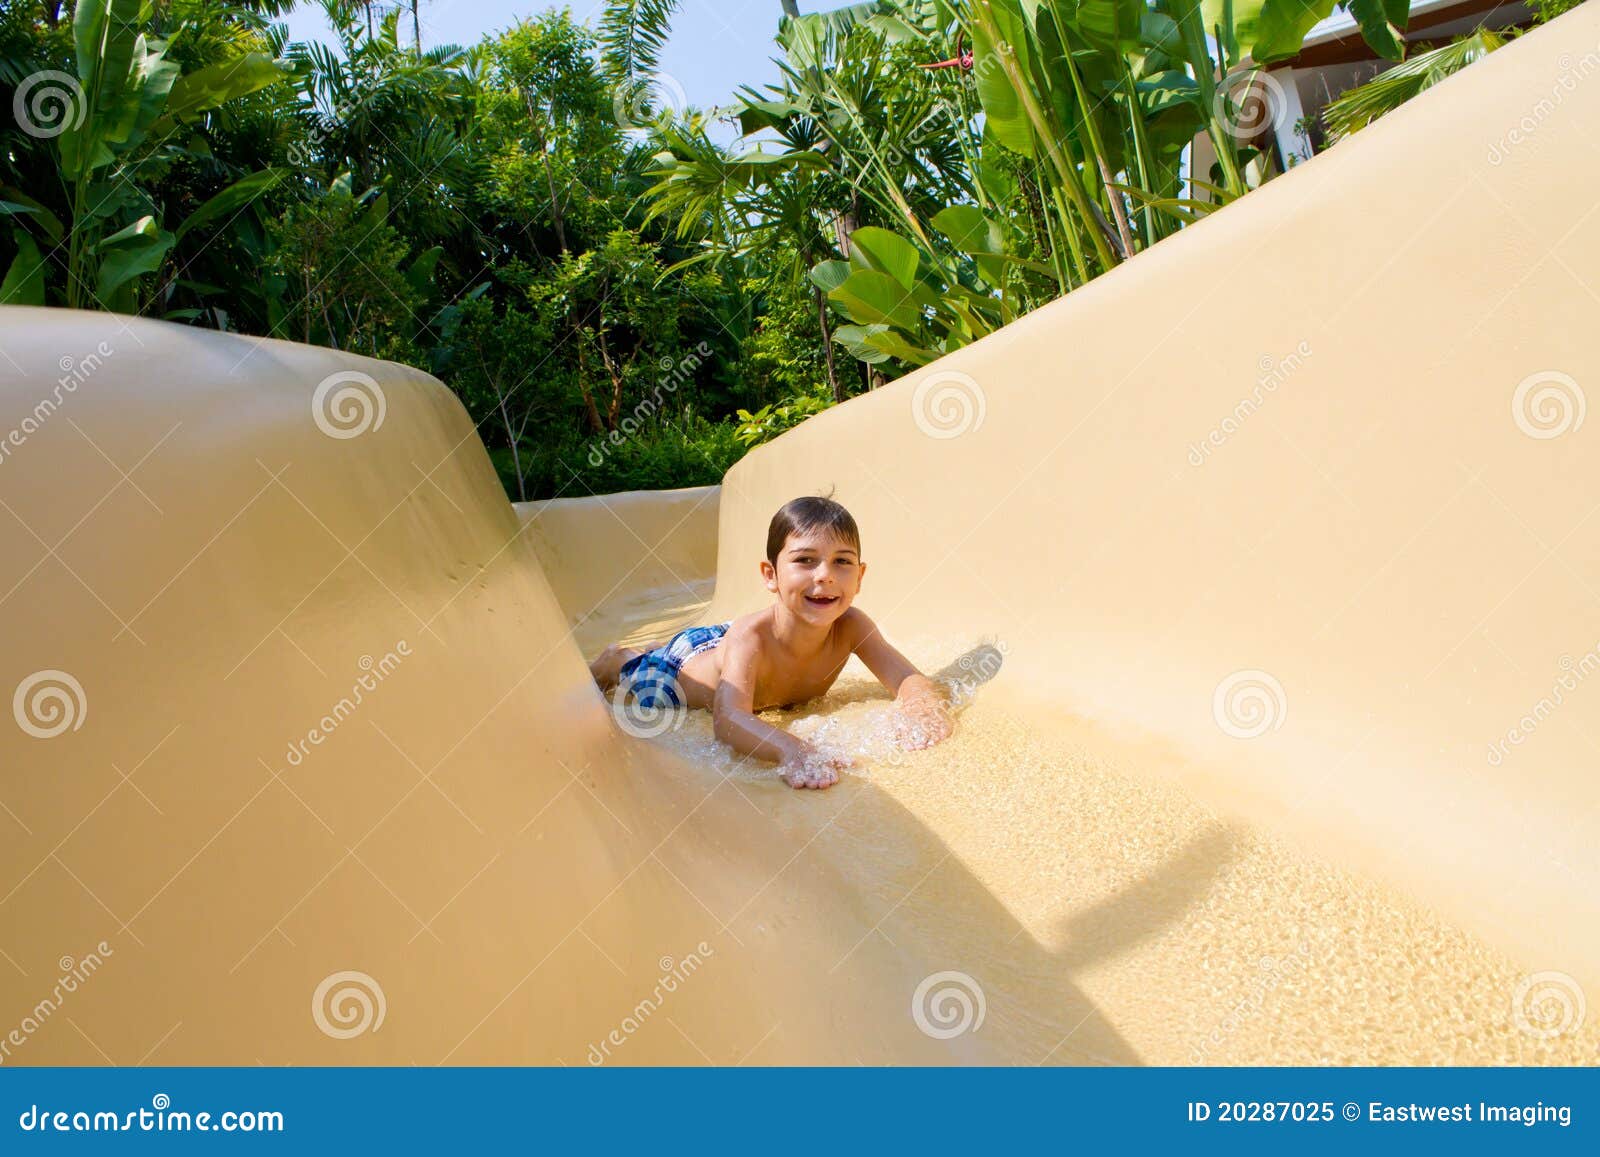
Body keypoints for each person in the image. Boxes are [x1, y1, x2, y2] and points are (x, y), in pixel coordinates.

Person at [590, 496, 953, 788]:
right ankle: (621, 657)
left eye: (842, 561)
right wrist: (791, 749)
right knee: (640, 682)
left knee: (730, 640)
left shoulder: (852, 626)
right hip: (682, 671)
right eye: (805, 561)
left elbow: (906, 677)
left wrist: (922, 707)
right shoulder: (750, 639)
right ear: (771, 575)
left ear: (859, 577)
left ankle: (658, 645)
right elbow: (729, 719)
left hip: (730, 639)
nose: (825, 576)